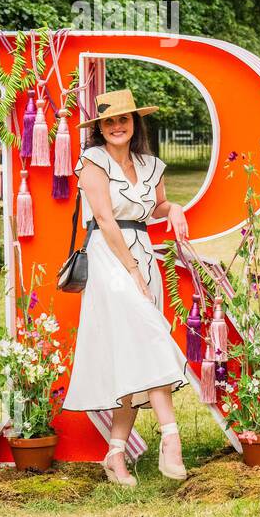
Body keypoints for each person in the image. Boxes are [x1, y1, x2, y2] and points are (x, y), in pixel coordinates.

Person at [62, 89, 191, 486]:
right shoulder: (92, 162)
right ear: (99, 128)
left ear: (135, 124)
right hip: (109, 257)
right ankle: (171, 437)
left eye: (125, 119)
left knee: (136, 351)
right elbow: (104, 218)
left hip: (144, 255)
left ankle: (115, 454)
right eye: (109, 121)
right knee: (151, 336)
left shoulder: (150, 164)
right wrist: (132, 268)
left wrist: (177, 209)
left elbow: (156, 207)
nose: (117, 126)